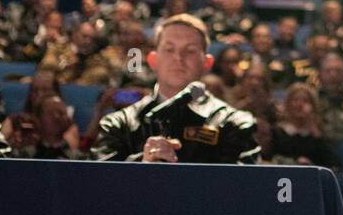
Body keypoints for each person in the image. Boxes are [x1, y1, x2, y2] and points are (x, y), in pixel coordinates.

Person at [91, 14, 259, 163]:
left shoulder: (236, 124)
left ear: (207, 63)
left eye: (190, 51)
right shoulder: (118, 124)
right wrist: (141, 165)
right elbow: (97, 188)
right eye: (169, 49)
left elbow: (246, 189)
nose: (178, 58)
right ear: (152, 60)